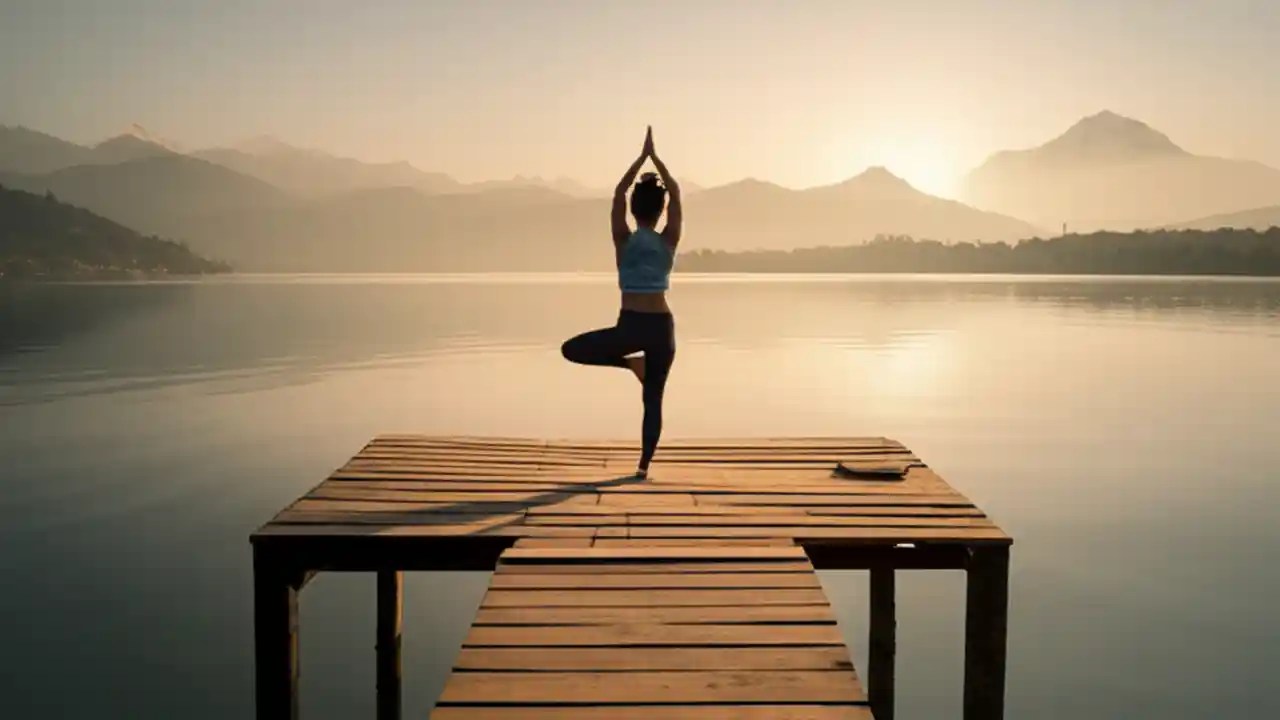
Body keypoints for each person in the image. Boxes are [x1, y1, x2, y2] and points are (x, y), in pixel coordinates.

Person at [561, 126, 682, 478]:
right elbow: (675, 192)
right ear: (661, 210)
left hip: (631, 326)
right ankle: (643, 467)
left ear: (632, 208)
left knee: (572, 349)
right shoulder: (669, 240)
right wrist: (655, 159)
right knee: (653, 400)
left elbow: (617, 193)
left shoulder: (622, 240)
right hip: (661, 326)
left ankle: (631, 364)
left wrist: (641, 159)